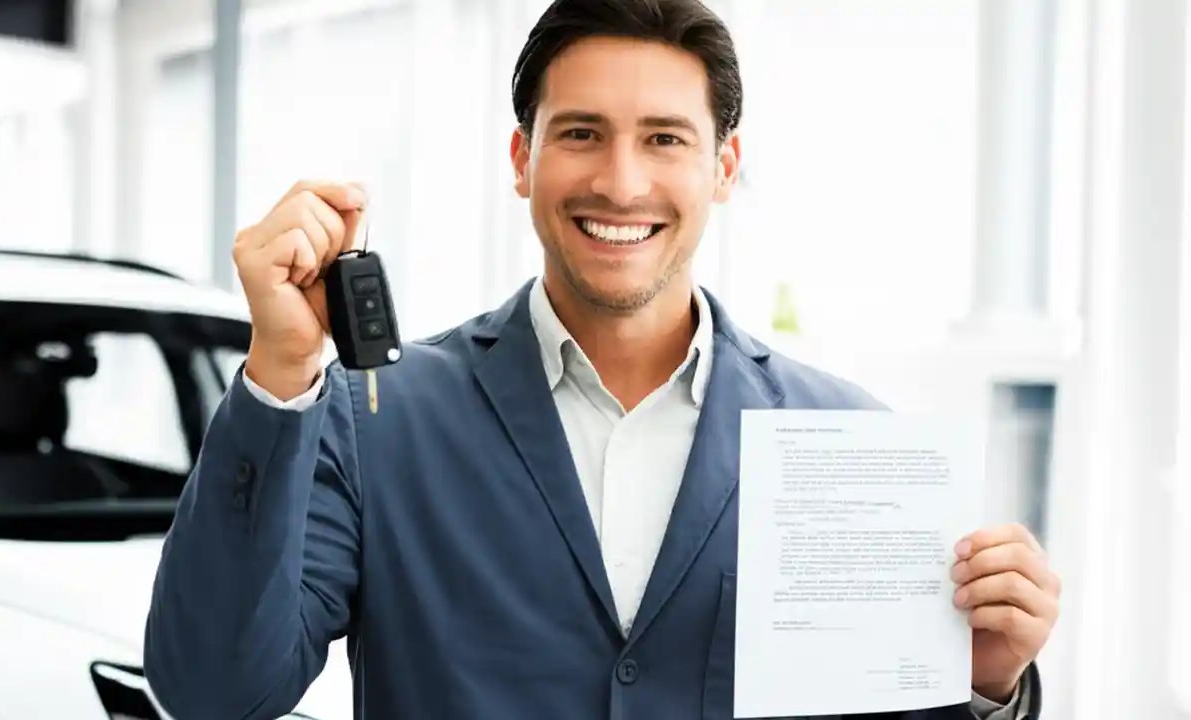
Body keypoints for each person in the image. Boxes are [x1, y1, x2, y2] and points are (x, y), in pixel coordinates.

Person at [143, 1, 1061, 718]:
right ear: (522, 158)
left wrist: (983, 687)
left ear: (724, 167)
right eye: (581, 132)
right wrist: (276, 374)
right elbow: (215, 694)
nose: (621, 182)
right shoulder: (372, 416)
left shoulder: (847, 440)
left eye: (665, 138)